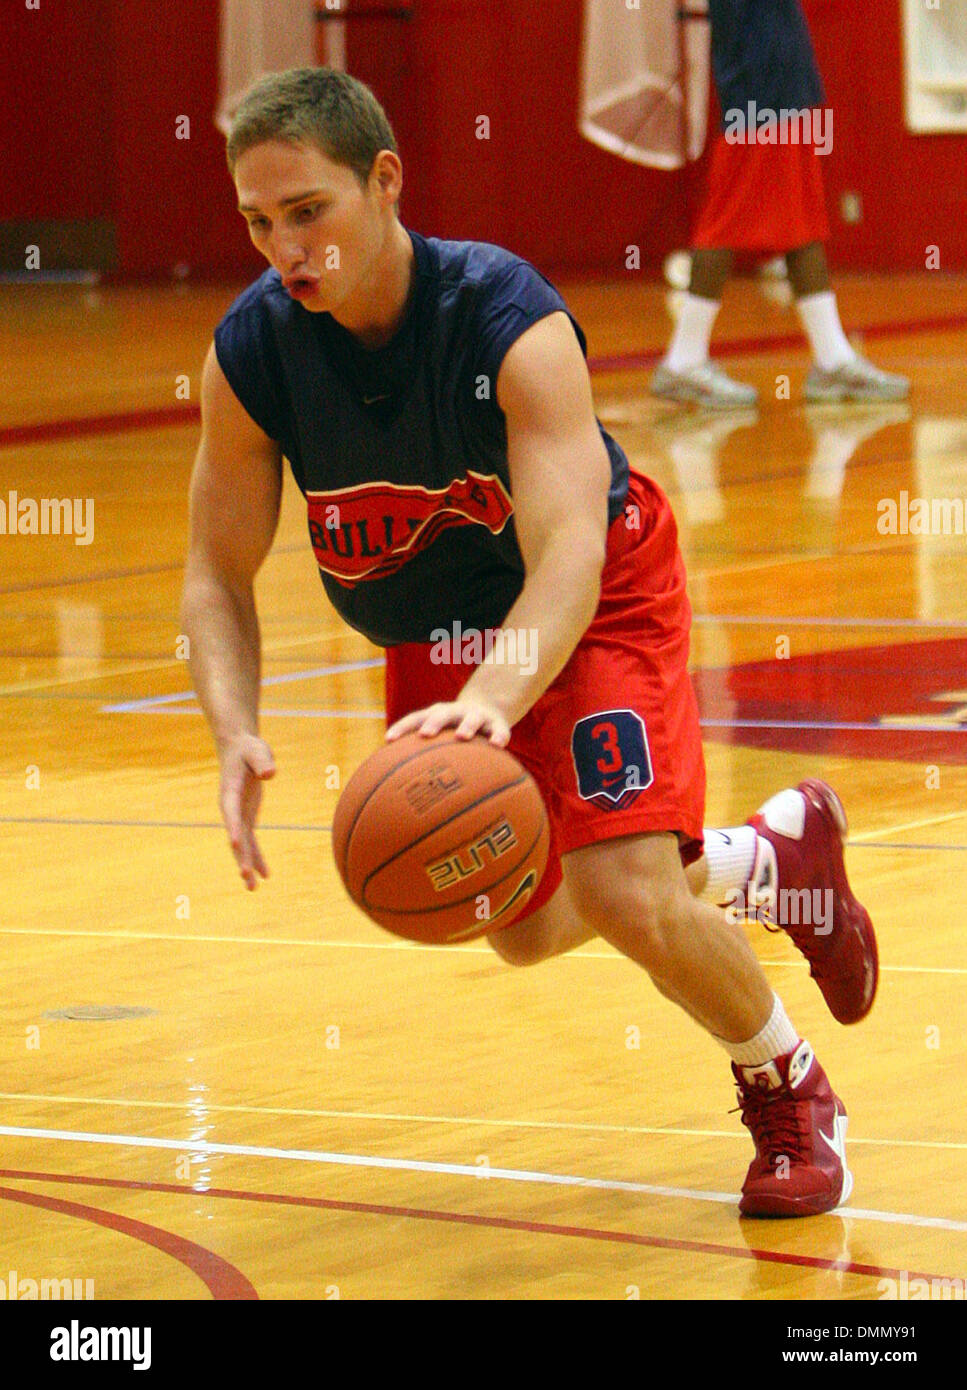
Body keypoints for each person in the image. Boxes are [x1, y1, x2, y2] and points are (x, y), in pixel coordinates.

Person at [181, 67, 878, 1218]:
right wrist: (234, 728)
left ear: (384, 182)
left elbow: (566, 557)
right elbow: (215, 571)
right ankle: (772, 859)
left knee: (621, 888)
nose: (285, 248)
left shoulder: (505, 316)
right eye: (259, 222)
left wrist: (496, 696)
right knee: (513, 920)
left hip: (593, 596)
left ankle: (790, 1089)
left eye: (308, 211)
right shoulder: (253, 355)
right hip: (436, 631)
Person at [652, 0, 910, 409]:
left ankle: (832, 358)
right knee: (725, 221)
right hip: (758, 83)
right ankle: (684, 359)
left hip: (779, 74)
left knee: (801, 219)